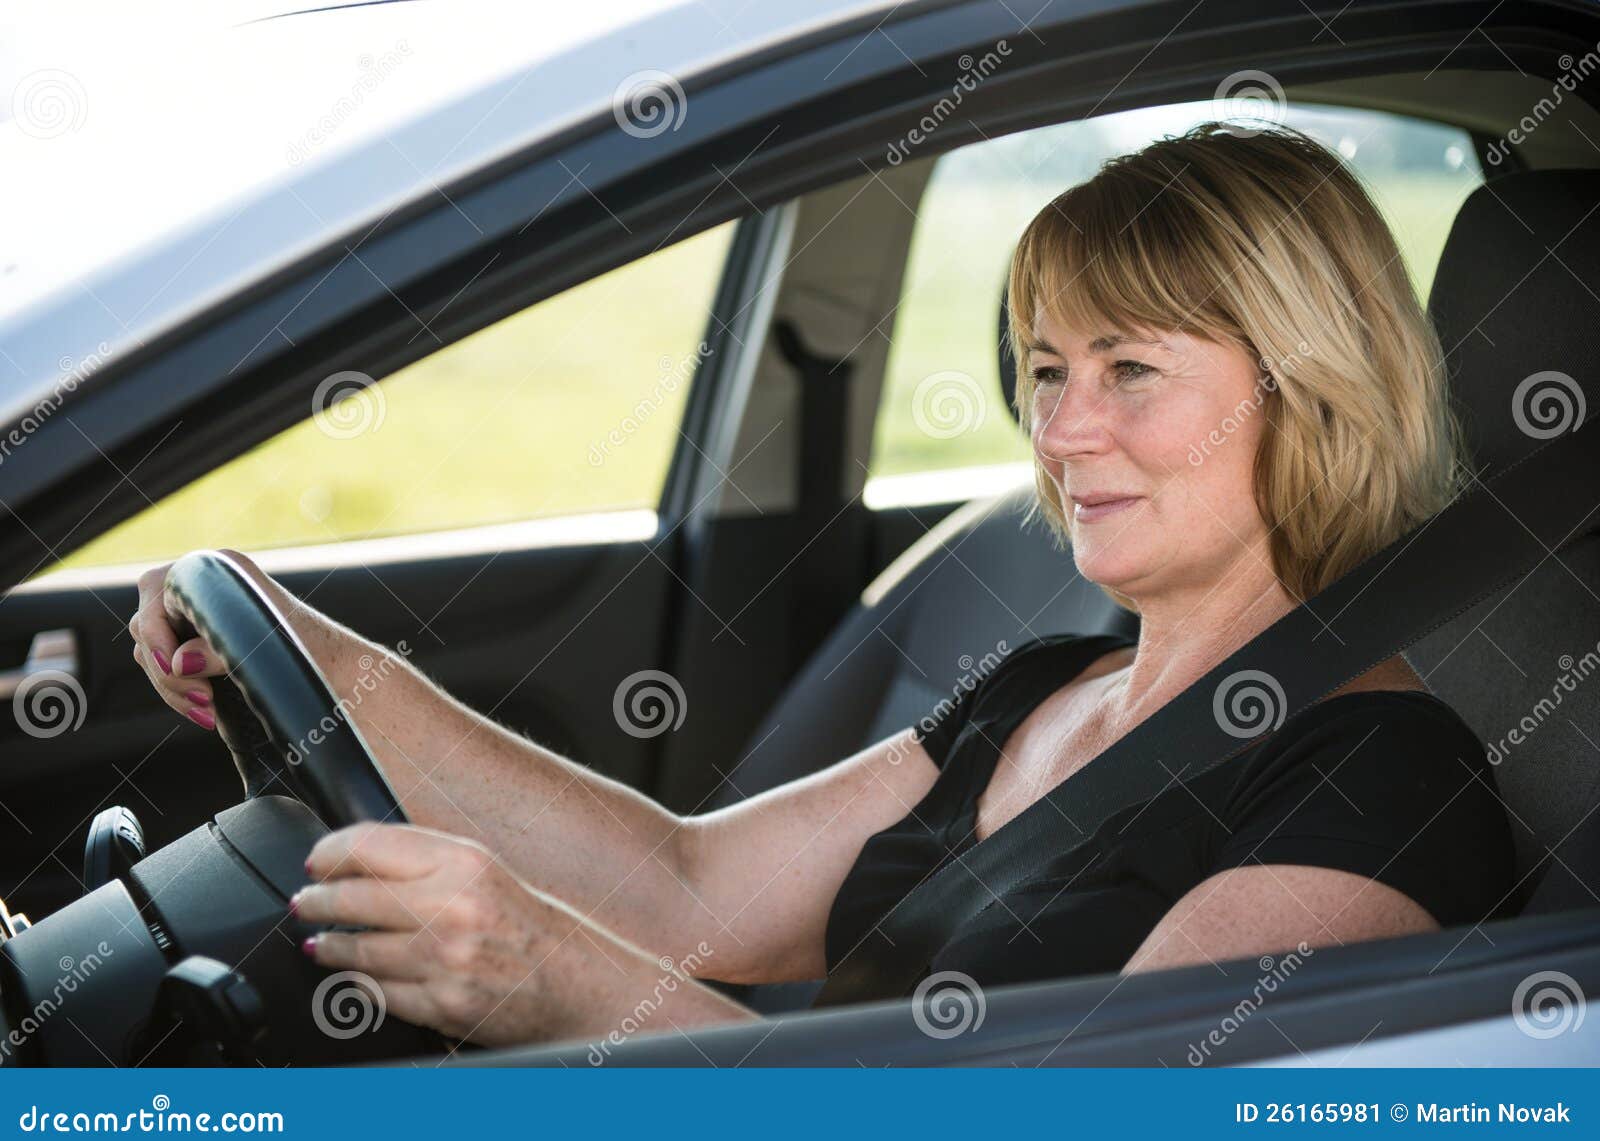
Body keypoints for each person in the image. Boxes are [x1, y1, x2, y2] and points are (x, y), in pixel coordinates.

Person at [128, 121, 1514, 1048]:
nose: (1063, 427)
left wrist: (567, 985)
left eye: (1130, 370)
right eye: (1046, 369)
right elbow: (683, 882)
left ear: (1309, 389)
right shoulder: (1045, 687)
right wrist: (305, 647)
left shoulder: (1381, 784)